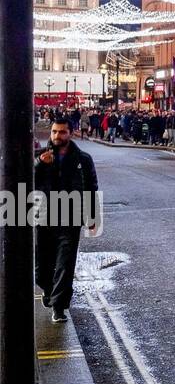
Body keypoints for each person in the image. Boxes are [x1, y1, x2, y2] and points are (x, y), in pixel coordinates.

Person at [34, 118, 99, 323]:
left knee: (65, 263)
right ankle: (47, 290)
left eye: (62, 132)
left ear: (71, 133)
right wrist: (39, 164)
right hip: (45, 217)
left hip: (71, 218)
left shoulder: (83, 159)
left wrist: (92, 217)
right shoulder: (40, 157)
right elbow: (26, 181)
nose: (57, 136)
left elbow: (91, 188)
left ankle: (59, 306)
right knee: (42, 264)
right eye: (54, 132)